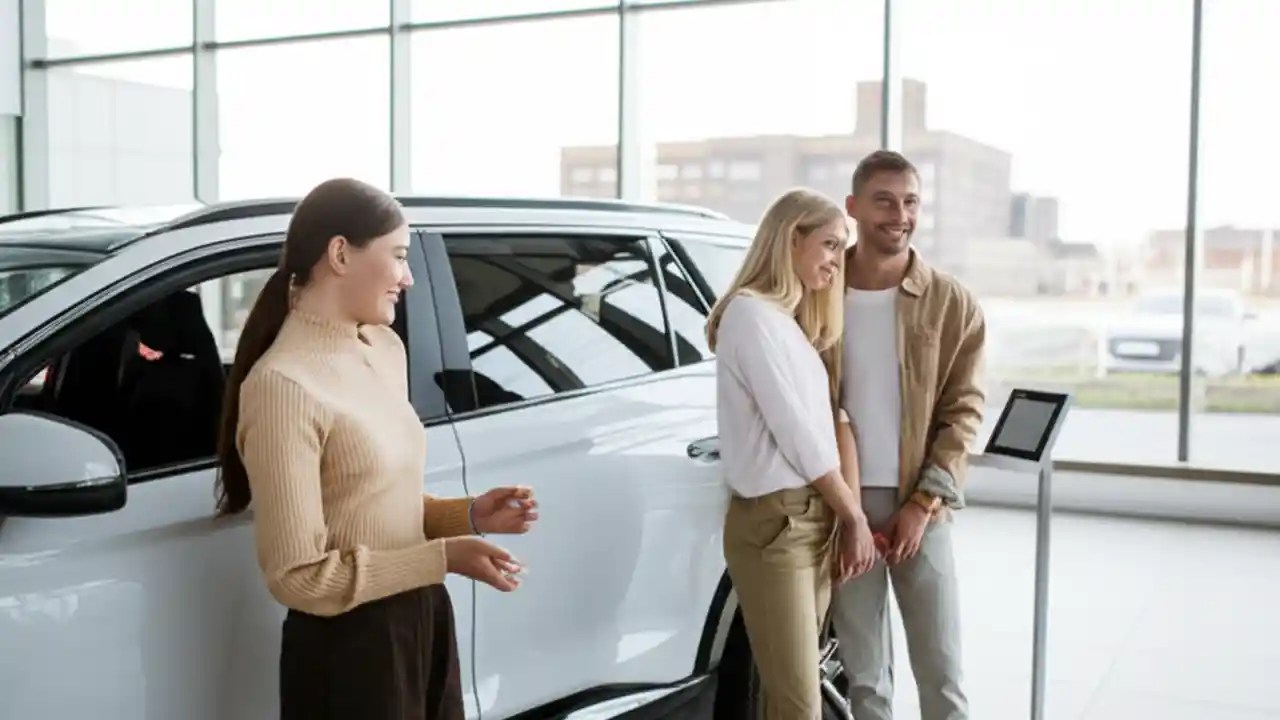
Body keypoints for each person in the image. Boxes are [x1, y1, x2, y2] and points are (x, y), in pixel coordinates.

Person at [214, 177, 540, 720]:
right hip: (349, 651)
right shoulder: (282, 387)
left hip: (423, 615)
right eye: (399, 256)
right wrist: (443, 558)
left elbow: (370, 502)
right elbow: (298, 576)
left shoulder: (383, 349)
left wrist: (467, 515)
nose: (408, 277)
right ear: (340, 253)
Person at [708, 187, 878, 719]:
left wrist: (841, 515)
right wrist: (854, 514)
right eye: (828, 244)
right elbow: (797, 433)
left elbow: (829, 426)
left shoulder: (790, 325)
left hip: (810, 516)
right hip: (776, 525)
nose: (836, 260)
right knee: (797, 699)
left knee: (793, 695)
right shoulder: (750, 316)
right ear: (791, 237)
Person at [829, 150, 986, 720]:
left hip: (922, 501)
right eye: (884, 201)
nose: (900, 214)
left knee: (941, 671)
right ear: (853, 207)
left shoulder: (951, 302)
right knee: (866, 677)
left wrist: (923, 503)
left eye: (911, 201)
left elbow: (963, 412)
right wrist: (843, 511)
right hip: (839, 504)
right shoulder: (817, 291)